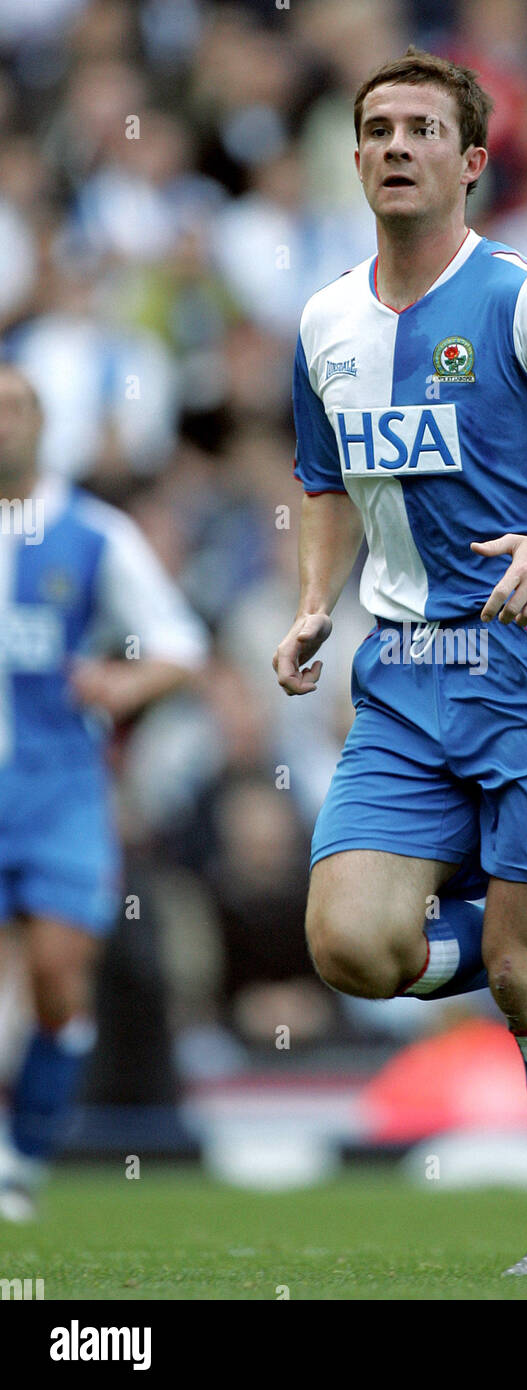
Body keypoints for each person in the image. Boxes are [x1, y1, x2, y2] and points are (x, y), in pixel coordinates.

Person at [273, 48, 527, 1277]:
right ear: (353, 159)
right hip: (404, 670)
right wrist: (312, 601)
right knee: (352, 945)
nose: (395, 144)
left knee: (518, 973)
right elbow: (319, 478)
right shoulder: (324, 320)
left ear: (469, 160)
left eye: (420, 128)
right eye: (374, 128)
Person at [0, 364, 207, 1221]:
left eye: (13, 408)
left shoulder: (94, 533)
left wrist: (123, 688)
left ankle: (25, 1155)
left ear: (42, 423)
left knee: (55, 972)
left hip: (60, 792)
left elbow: (178, 644)